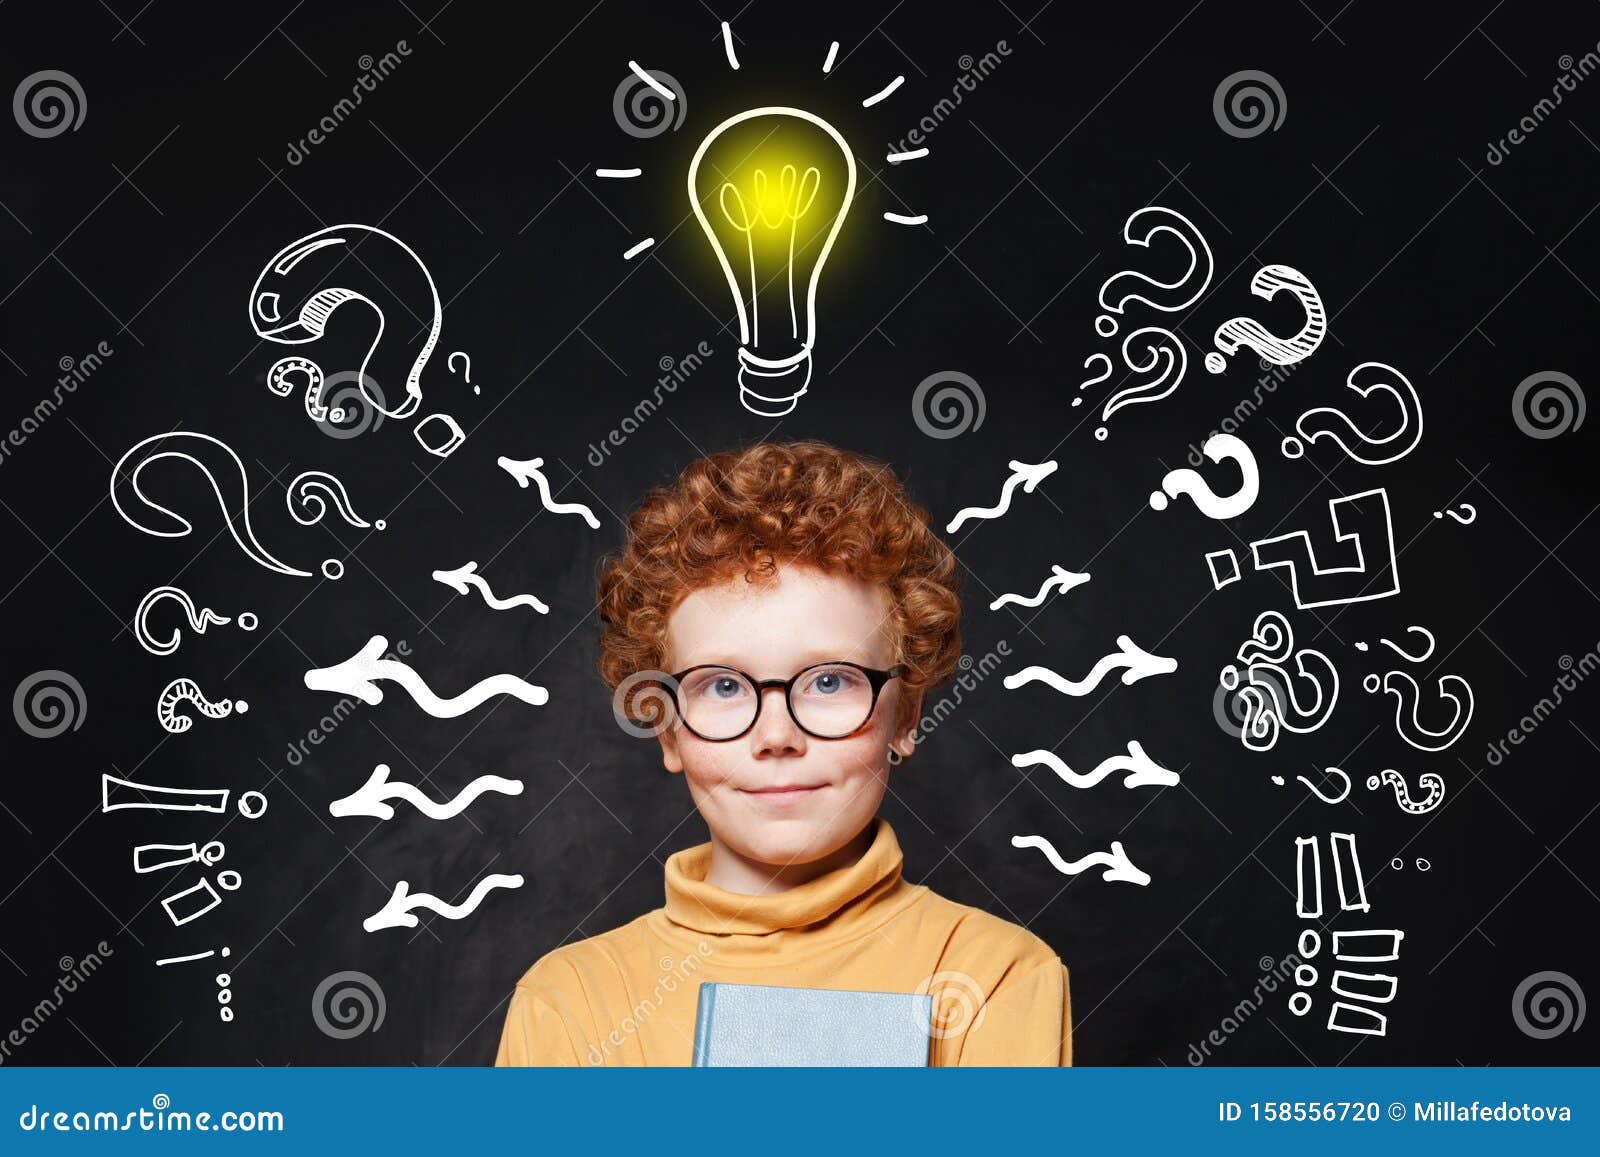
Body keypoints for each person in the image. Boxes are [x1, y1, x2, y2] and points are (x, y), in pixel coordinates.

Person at [496, 441, 1071, 1065]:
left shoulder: (997, 977)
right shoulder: (569, 1000)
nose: (776, 736)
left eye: (829, 681)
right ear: (668, 731)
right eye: (722, 685)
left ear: (904, 716)